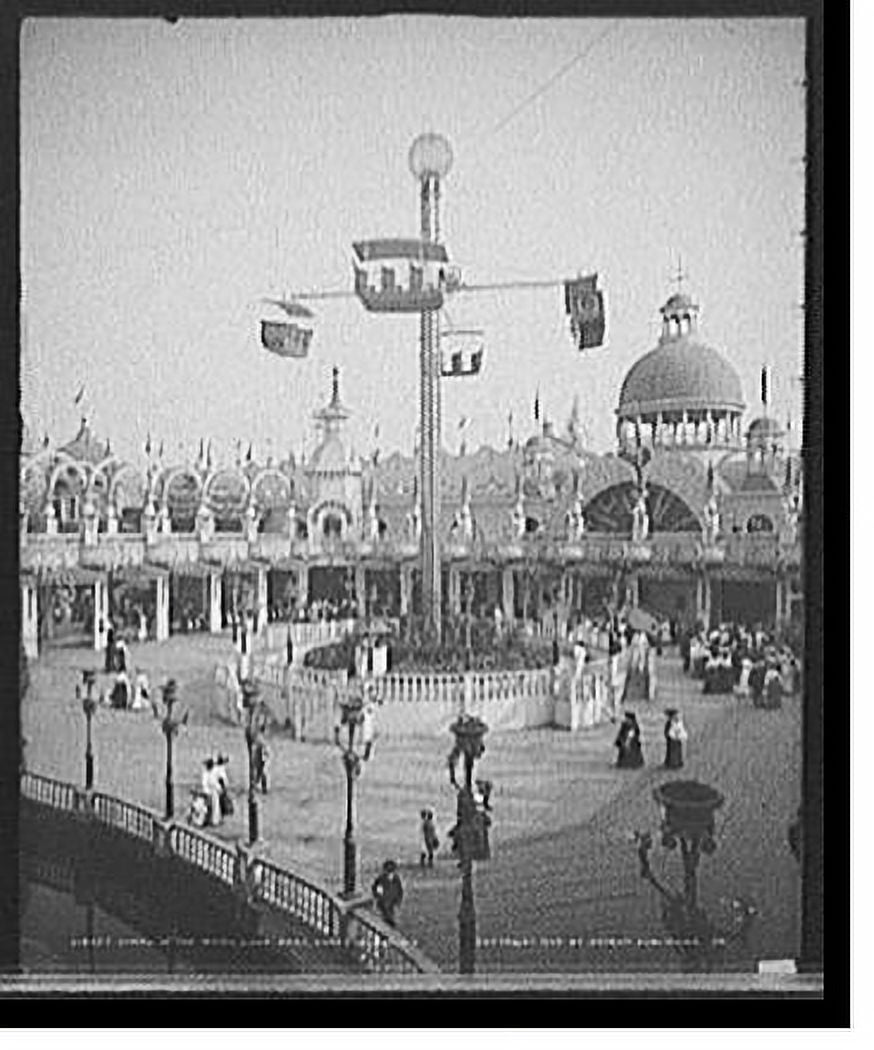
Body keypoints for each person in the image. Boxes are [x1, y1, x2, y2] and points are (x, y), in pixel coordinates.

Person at [372, 860, 404, 926]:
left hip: (392, 905)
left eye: (391, 872)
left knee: (392, 923)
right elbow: (378, 894)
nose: (390, 874)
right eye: (388, 872)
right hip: (384, 908)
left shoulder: (396, 879)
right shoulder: (381, 880)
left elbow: (400, 892)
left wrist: (398, 902)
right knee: (385, 923)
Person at [201, 758, 221, 826]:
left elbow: (215, 782)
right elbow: (204, 783)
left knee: (215, 806)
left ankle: (214, 821)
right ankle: (207, 820)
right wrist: (206, 791)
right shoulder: (206, 773)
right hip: (208, 791)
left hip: (214, 791)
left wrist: (218, 788)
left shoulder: (214, 771)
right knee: (207, 807)